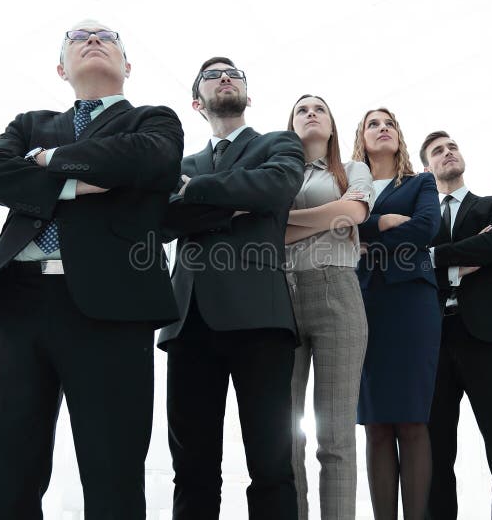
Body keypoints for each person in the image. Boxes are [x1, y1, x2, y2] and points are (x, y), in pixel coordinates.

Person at [0, 20, 183, 519]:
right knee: (4, 472)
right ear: (61, 68)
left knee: (113, 475)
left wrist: (47, 162)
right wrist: (71, 183)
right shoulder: (29, 124)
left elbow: (149, 160)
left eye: (107, 37)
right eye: (78, 38)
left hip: (112, 307)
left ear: (127, 66)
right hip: (16, 304)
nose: (93, 40)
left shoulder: (155, 121)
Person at [159, 57, 305, 520]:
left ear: (247, 93)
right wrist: (234, 203)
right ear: (196, 101)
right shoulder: (177, 162)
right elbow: (163, 220)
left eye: (234, 73)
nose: (225, 78)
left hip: (260, 318)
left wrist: (197, 192)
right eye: (212, 76)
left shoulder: (279, 144)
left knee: (270, 464)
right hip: (187, 322)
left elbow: (276, 187)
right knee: (193, 468)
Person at [420, 132, 492, 520]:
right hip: (433, 338)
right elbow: (410, 261)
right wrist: (453, 261)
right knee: (435, 451)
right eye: (438, 151)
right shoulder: (425, 217)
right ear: (427, 167)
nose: (448, 153)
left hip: (488, 336)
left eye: (452, 147)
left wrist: (432, 256)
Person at [284, 95, 373, 520]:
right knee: (287, 435)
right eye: (302, 110)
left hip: (336, 290)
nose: (311, 114)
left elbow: (353, 212)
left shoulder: (353, 170)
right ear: (291, 125)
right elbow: (334, 217)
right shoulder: (277, 172)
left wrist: (284, 225)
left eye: (319, 108)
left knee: (335, 436)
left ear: (333, 125)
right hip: (279, 296)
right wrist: (328, 218)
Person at [351, 109, 441, 520]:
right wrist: (382, 221)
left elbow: (426, 229)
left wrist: (367, 232)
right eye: (373, 123)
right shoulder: (348, 184)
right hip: (362, 302)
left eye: (389, 123)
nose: (383, 128)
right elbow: (336, 227)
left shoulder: (421, 182)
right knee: (376, 423)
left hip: (411, 305)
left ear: (399, 137)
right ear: (361, 137)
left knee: (412, 420)